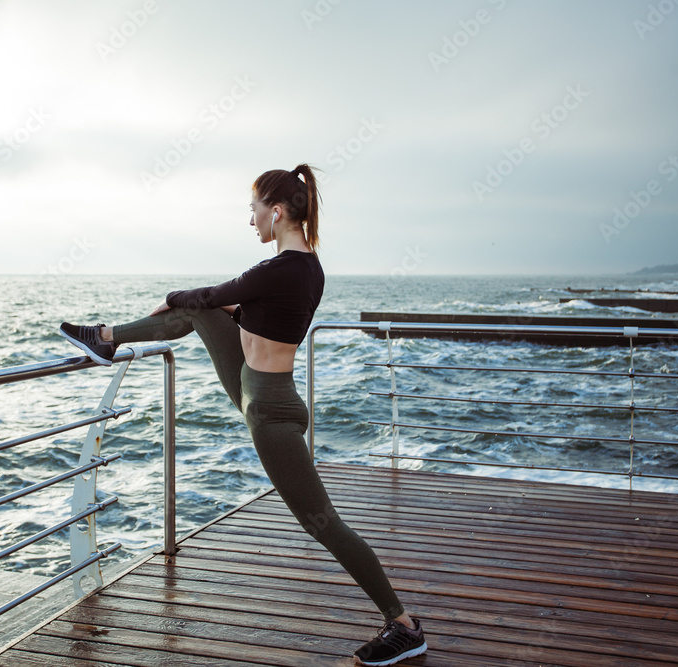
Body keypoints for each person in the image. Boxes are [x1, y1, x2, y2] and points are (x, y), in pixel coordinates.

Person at [59, 164, 427, 666]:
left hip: (272, 412)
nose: (250, 220)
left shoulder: (280, 270)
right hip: (253, 388)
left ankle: (402, 625)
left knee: (323, 524)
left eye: (253, 210)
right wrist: (192, 306)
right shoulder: (300, 270)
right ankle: (106, 338)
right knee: (197, 311)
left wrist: (171, 298)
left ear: (276, 212)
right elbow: (242, 313)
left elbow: (212, 295)